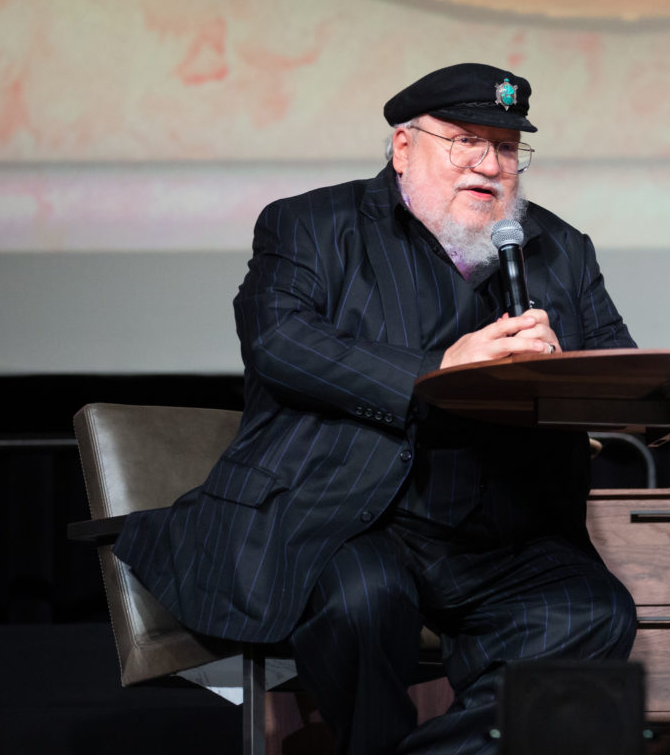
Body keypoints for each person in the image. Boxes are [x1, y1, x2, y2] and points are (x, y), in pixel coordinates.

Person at [114, 63, 638, 754]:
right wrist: (438, 369)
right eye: (464, 140)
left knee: (596, 613)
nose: (488, 164)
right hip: (352, 516)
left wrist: (559, 369)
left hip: (503, 533)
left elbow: (623, 373)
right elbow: (279, 342)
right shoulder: (311, 225)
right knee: (363, 604)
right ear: (402, 147)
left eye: (507, 148)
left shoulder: (560, 248)